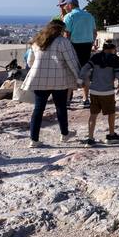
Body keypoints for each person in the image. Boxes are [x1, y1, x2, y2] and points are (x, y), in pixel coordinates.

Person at [25, 19, 81, 147]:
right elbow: (71, 61)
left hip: (39, 79)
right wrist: (79, 78)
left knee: (38, 109)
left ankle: (34, 140)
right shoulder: (63, 42)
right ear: (61, 29)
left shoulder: (37, 41)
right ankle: (64, 134)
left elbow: (29, 62)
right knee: (60, 107)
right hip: (59, 80)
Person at [80, 38, 119, 145]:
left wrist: (81, 79)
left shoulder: (95, 57)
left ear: (103, 48)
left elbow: (85, 68)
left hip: (94, 91)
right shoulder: (115, 59)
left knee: (93, 114)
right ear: (113, 48)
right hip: (107, 92)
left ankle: (90, 139)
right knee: (111, 113)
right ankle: (111, 135)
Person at [62, 0, 97, 107]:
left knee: (69, 71)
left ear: (70, 5)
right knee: (85, 72)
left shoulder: (69, 16)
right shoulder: (89, 16)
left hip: (73, 46)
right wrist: (91, 44)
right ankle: (86, 99)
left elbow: (66, 34)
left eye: (65, 5)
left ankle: (67, 100)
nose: (64, 7)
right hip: (87, 46)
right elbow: (94, 32)